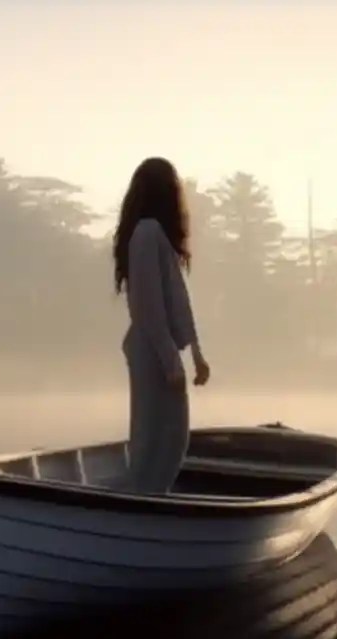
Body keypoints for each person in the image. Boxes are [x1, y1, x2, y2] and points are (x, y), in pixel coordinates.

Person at [112, 157, 210, 494]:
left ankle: (150, 497)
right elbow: (148, 306)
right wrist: (170, 359)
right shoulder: (147, 233)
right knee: (157, 437)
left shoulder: (154, 235)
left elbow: (177, 300)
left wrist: (196, 354)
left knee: (168, 437)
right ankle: (141, 501)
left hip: (158, 346)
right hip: (151, 346)